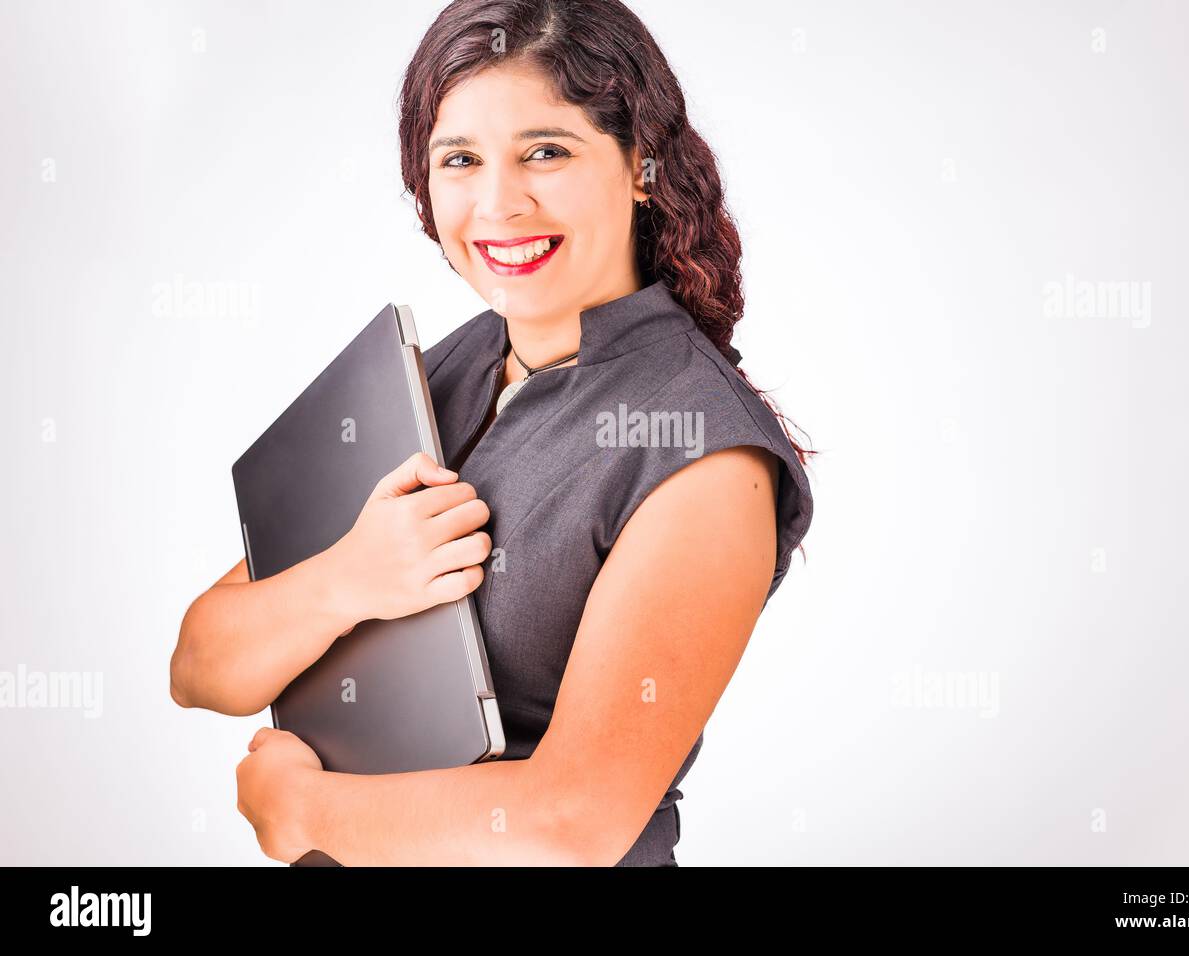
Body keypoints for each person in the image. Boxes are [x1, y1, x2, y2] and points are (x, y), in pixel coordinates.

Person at [170, 0, 815, 866]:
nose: (499, 203)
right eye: (461, 159)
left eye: (546, 151)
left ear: (641, 167)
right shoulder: (443, 368)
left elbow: (573, 823)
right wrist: (350, 580)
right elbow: (202, 663)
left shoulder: (703, 454)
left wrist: (309, 814)